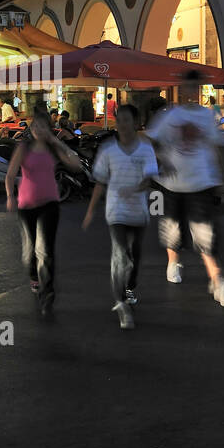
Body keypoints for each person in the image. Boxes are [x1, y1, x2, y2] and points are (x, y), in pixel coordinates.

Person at [145, 76, 224, 307]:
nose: (192, 91)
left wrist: (220, 179)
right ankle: (173, 262)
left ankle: (217, 280)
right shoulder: (169, 116)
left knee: (205, 235)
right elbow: (151, 139)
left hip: (201, 183)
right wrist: (162, 158)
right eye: (188, 87)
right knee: (172, 230)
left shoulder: (207, 115)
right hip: (172, 184)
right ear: (181, 90)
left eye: (195, 87)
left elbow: (218, 146)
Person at [84, 103, 159, 330]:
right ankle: (121, 303)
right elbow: (100, 182)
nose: (123, 125)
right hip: (116, 211)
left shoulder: (145, 149)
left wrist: (136, 188)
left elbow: (150, 179)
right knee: (121, 255)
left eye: (127, 120)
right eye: (119, 121)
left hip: (138, 212)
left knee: (134, 257)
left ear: (135, 123)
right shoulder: (108, 149)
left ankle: (129, 287)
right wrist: (90, 210)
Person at [7, 108, 84, 316]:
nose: (38, 130)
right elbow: (11, 174)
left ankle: (47, 292)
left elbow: (76, 165)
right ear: (31, 129)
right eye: (35, 127)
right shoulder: (24, 147)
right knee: (31, 248)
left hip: (50, 203)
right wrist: (10, 196)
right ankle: (34, 274)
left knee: (47, 250)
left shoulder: (53, 148)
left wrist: (56, 141)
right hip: (27, 204)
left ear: (49, 129)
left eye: (43, 127)